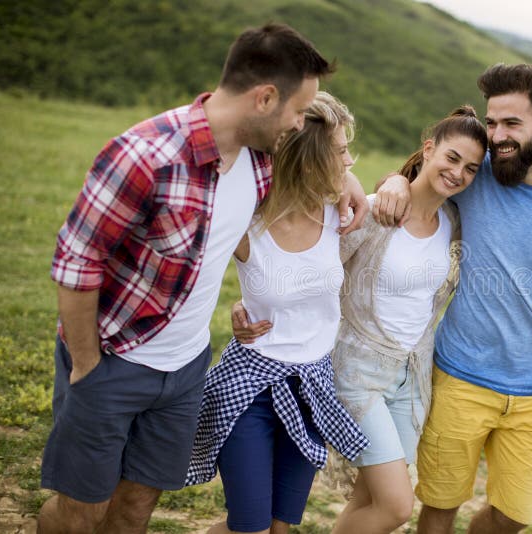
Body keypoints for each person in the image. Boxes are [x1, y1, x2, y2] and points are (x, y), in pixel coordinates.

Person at [39, 24, 367, 533]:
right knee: (82, 512)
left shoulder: (260, 163)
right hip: (114, 360)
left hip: (187, 370)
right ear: (264, 98)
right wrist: (85, 363)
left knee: (135, 510)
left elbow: (316, 163)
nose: (300, 124)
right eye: (298, 111)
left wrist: (349, 179)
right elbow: (76, 262)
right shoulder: (145, 155)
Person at [374, 63, 532, 533]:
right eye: (492, 122)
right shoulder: (474, 173)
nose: (497, 136)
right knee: (439, 507)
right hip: (459, 376)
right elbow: (419, 175)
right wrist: (395, 182)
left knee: (512, 518)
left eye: (511, 124)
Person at [232, 106, 487, 533]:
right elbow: (310, 270)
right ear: (428, 149)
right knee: (395, 507)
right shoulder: (373, 215)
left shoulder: (454, 222)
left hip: (413, 377)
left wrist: (395, 179)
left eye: (472, 168)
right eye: (452, 158)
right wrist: (252, 305)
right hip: (358, 372)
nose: (459, 173)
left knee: (368, 499)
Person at [186, 91, 369, 534]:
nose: (350, 163)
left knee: (280, 528)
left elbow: (416, 197)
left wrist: (378, 184)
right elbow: (198, 277)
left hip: (312, 386)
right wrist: (239, 306)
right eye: (341, 152)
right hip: (250, 387)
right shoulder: (245, 219)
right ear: (308, 159)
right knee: (248, 528)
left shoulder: (338, 215)